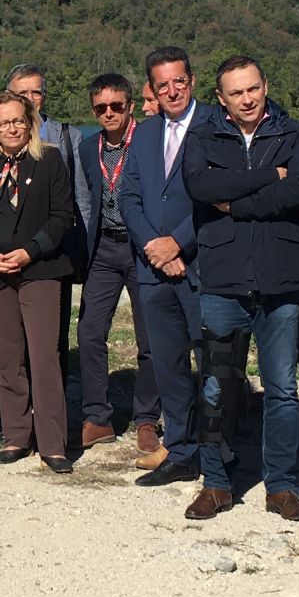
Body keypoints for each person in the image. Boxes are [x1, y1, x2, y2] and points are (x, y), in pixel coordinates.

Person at [180, 55, 299, 522]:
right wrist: (266, 176)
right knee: (218, 385)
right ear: (221, 98)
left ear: (265, 85)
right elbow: (200, 186)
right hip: (222, 282)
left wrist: (235, 205)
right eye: (236, 92)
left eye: (253, 88)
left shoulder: (296, 134)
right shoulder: (203, 135)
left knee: (282, 388)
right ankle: (216, 483)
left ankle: (280, 485)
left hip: (281, 282)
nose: (247, 98)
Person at [0, 92, 77, 472]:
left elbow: (63, 216)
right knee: (8, 359)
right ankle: (16, 435)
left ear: (29, 122)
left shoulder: (49, 161)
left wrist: (31, 250)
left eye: (18, 120)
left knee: (44, 356)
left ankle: (52, 443)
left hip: (40, 272)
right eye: (4, 122)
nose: (12, 127)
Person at [117, 48, 204, 484]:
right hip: (152, 268)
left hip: (199, 266)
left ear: (192, 81)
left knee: (211, 363)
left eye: (179, 82)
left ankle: (216, 450)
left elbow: (219, 199)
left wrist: (178, 244)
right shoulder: (146, 135)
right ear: (152, 88)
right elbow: (127, 196)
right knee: (168, 362)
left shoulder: (214, 127)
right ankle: (182, 451)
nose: (172, 91)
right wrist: (153, 245)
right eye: (162, 84)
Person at [75, 72, 161, 453]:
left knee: (149, 339)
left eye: (116, 106)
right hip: (103, 250)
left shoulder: (149, 140)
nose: (108, 113)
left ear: (128, 105)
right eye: (100, 107)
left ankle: (146, 419)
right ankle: (97, 417)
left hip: (142, 248)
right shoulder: (87, 147)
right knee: (90, 332)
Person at [4, 64, 93, 384]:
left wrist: (80, 253)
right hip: (7, 253)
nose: (29, 99)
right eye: (21, 93)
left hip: (54, 253)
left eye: (36, 92)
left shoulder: (68, 136)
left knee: (53, 335)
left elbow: (81, 199)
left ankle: (52, 406)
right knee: (10, 336)